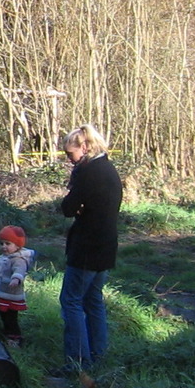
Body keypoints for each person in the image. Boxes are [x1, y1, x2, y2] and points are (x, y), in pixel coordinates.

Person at [54, 124, 122, 375]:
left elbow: (67, 207)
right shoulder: (109, 169)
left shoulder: (89, 172)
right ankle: (98, 356)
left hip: (87, 247)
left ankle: (77, 362)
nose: (69, 159)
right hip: (106, 246)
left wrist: (77, 204)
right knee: (93, 301)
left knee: (71, 301)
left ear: (84, 147)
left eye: (70, 154)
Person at [0, 225, 34, 348]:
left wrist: (16, 278)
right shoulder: (1, 258)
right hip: (0, 293)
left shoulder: (19, 259)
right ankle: (7, 333)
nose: (4, 246)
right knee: (4, 315)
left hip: (10, 294)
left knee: (11, 317)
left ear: (17, 245)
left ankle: (15, 338)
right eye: (2, 243)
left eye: (8, 243)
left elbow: (20, 269)